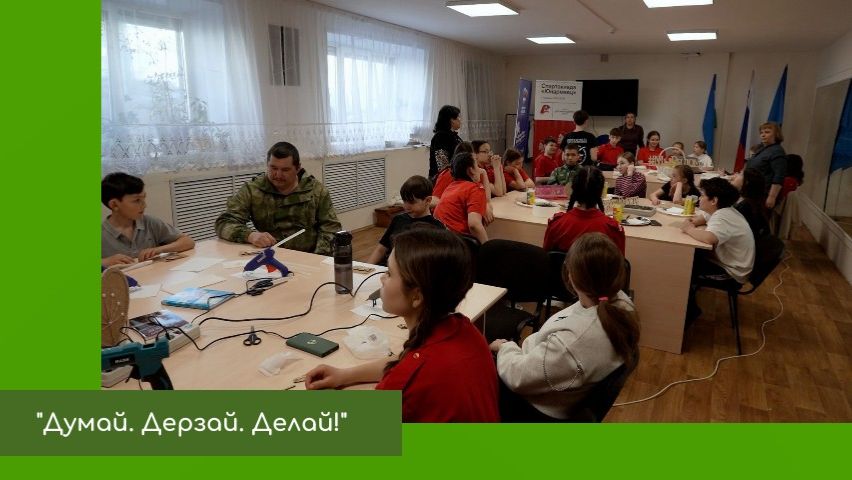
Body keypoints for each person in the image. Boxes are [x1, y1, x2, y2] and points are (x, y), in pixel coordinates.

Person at [305, 228, 499, 423]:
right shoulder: (463, 328)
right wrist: (344, 375)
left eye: (389, 273)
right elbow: (402, 363)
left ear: (416, 297)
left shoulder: (406, 382)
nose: (382, 278)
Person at [490, 232, 640, 421]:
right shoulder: (622, 304)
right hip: (554, 385)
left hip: (534, 409)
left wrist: (504, 348)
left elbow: (519, 378)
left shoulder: (574, 341)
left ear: (573, 275)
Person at [214, 142, 341, 255]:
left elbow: (331, 228)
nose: (278, 175)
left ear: (298, 168)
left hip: (309, 255)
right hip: (270, 256)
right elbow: (224, 223)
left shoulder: (316, 191)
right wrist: (250, 235)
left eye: (285, 170)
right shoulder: (253, 190)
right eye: (273, 168)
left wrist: (317, 257)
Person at [682, 178, 755, 321]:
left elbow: (709, 238)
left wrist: (688, 229)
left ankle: (690, 310)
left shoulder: (723, 216)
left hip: (731, 273)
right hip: (730, 263)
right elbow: (703, 218)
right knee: (687, 259)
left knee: (684, 267)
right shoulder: (723, 210)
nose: (700, 198)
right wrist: (693, 223)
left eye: (702, 195)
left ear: (714, 200)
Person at [102, 172, 195, 266]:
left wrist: (159, 250)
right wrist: (105, 262)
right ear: (114, 205)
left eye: (144, 199)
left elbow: (188, 242)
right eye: (137, 200)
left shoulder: (149, 222)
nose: (144, 205)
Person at [543, 167, 625, 254]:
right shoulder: (612, 229)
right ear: (601, 192)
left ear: (574, 190)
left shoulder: (557, 223)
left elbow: (547, 257)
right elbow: (619, 261)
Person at [366, 176, 444, 266]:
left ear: (427, 200)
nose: (406, 206)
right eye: (404, 201)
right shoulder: (398, 219)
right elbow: (381, 249)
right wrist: (368, 266)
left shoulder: (437, 228)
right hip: (387, 268)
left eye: (412, 202)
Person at [433, 152, 489, 244]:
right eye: (477, 165)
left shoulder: (450, 187)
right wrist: (487, 246)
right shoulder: (475, 189)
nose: (480, 169)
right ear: (471, 170)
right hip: (458, 242)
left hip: (439, 240)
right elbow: (474, 225)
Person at [746, 122, 787, 209]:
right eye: (761, 132)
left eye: (767, 132)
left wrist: (772, 196)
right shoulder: (762, 149)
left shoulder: (777, 151)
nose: (763, 135)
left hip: (763, 195)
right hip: (752, 192)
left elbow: (779, 176)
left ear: (776, 134)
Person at [730, 168, 770, 240]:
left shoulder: (744, 207)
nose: (735, 175)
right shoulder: (750, 202)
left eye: (740, 174)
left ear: (746, 182)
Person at [428, 105, 462, 179]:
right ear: (451, 120)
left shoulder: (454, 136)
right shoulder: (440, 136)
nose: (460, 120)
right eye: (458, 117)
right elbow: (442, 163)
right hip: (442, 178)